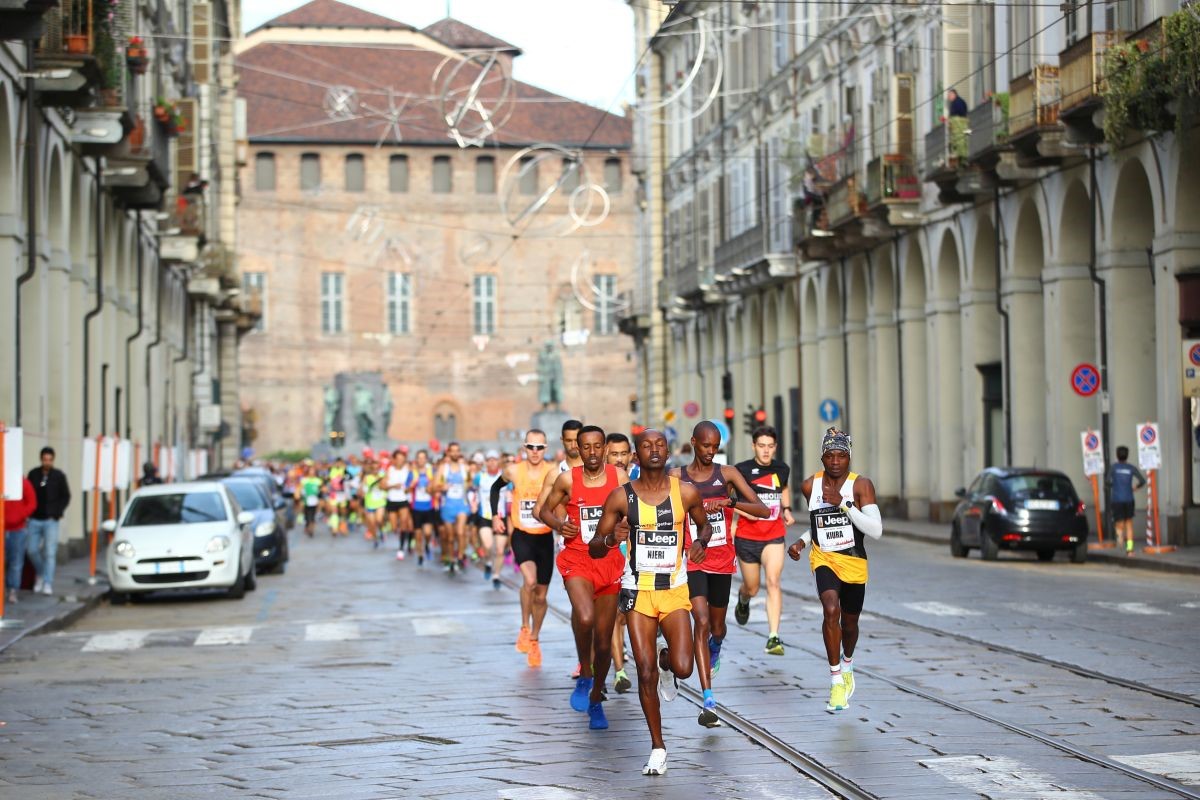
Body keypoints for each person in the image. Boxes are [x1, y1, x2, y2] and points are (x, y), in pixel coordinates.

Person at [592, 429, 711, 776]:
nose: (654, 450)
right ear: (636, 455)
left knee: (684, 667)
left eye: (660, 445)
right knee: (644, 672)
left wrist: (700, 543)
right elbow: (594, 546)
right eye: (646, 445)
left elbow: (704, 526)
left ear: (668, 452)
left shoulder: (685, 492)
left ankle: (666, 661)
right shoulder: (621, 497)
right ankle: (658, 747)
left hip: (674, 588)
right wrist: (610, 540)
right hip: (637, 590)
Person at [672, 421, 768, 726]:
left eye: (715, 447)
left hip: (722, 560)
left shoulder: (727, 474)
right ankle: (708, 699)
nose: (711, 452)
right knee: (700, 621)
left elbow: (763, 510)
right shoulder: (677, 477)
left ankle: (716, 646)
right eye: (705, 446)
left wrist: (730, 501)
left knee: (717, 628)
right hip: (693, 559)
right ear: (693, 443)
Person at [539, 425, 629, 729]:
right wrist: (558, 525)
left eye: (597, 446)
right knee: (585, 616)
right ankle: (585, 675)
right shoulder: (568, 479)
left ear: (605, 448)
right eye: (586, 447)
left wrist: (625, 527)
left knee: (604, 643)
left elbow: (633, 511)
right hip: (577, 558)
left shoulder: (619, 478)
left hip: (609, 560)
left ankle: (595, 698)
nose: (592, 452)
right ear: (578, 449)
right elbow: (544, 510)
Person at [787, 427, 883, 712]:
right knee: (831, 610)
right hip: (824, 558)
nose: (836, 461)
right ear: (822, 457)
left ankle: (848, 663)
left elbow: (876, 530)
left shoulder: (861, 486)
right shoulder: (810, 486)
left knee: (850, 624)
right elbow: (820, 524)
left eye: (842, 455)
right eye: (830, 455)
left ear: (849, 457)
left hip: (853, 560)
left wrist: (845, 505)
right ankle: (836, 681)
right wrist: (802, 542)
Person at [490, 429, 555, 667]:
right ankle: (524, 627)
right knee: (530, 581)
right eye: (530, 447)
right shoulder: (513, 471)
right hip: (522, 535)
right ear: (524, 448)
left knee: (542, 595)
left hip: (545, 537)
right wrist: (495, 516)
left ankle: (535, 638)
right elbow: (495, 488)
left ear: (546, 449)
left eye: (539, 448)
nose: (535, 452)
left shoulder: (553, 471)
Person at [733, 425, 796, 655]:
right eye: (761, 446)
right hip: (747, 536)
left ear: (775, 447)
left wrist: (786, 509)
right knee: (752, 587)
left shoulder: (782, 468)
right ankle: (743, 599)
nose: (766, 451)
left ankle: (773, 637)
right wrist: (745, 511)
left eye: (770, 446)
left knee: (773, 582)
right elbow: (730, 500)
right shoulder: (741, 470)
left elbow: (784, 488)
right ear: (753, 446)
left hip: (773, 534)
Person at [604, 432, 635, 694]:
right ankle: (619, 671)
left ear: (631, 455)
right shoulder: (600, 481)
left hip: (639, 556)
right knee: (614, 615)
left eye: (623, 453)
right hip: (611, 554)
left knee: (627, 616)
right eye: (614, 454)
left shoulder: (642, 477)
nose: (619, 459)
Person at [26, 446, 71, 596]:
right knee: (32, 550)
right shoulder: (34, 474)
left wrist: (58, 511)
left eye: (50, 460)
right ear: (41, 459)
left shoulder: (58, 476)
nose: (47, 462)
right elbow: (27, 493)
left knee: (50, 553)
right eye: (45, 459)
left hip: (51, 520)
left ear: (53, 460)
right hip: (34, 519)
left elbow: (66, 496)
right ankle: (40, 573)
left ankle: (47, 582)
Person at [436, 442, 472, 573]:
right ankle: (451, 559)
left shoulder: (465, 468)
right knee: (450, 537)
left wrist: (468, 485)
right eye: (453, 451)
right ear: (448, 453)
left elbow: (470, 482)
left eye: (457, 450)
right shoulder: (443, 468)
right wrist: (442, 486)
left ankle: (460, 556)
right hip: (447, 505)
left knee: (460, 532)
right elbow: (435, 485)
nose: (455, 453)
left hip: (462, 504)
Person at [474, 449, 505, 588]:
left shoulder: (505, 476)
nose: (492, 462)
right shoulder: (479, 477)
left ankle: (496, 576)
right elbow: (471, 490)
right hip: (485, 516)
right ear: (486, 462)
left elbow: (513, 493)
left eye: (494, 459)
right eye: (489, 460)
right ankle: (487, 561)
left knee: (500, 550)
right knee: (487, 546)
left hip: (501, 517)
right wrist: (473, 503)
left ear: (498, 461)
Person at [4, 475, 38, 604]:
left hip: (17, 529)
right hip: (2, 527)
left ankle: (13, 589)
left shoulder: (23, 483)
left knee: (16, 562)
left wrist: (19, 515)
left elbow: (32, 503)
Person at [1108, 445, 1146, 555]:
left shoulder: (1113, 468)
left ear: (1117, 455)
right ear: (1127, 456)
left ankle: (1119, 534)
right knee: (1129, 524)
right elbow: (1142, 481)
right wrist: (1135, 487)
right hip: (1129, 499)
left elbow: (1107, 482)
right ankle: (1130, 550)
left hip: (1116, 499)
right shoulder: (1131, 468)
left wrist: (1114, 485)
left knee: (1118, 522)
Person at [408, 450, 437, 567]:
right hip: (416, 507)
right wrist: (411, 485)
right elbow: (405, 489)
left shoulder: (431, 472)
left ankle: (427, 545)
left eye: (423, 457)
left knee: (428, 533)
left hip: (429, 507)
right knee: (418, 535)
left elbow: (436, 487)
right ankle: (420, 555)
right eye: (419, 458)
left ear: (426, 459)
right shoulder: (412, 473)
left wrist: (431, 488)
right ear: (416, 459)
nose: (421, 460)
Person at [385, 448, 413, 560]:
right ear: (394, 460)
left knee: (404, 523)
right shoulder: (389, 470)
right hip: (392, 500)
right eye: (398, 459)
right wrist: (393, 486)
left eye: (402, 459)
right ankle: (404, 538)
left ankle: (401, 548)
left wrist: (409, 488)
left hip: (403, 500)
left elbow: (412, 482)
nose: (400, 461)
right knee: (394, 527)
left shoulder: (408, 469)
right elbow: (383, 485)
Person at [296, 463, 324, 537]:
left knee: (312, 514)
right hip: (306, 499)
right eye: (310, 471)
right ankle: (307, 524)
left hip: (315, 500)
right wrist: (298, 494)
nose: (312, 473)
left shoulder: (318, 480)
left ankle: (311, 529)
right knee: (307, 514)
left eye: (313, 472)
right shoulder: (304, 480)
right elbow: (299, 489)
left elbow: (322, 489)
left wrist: (323, 490)